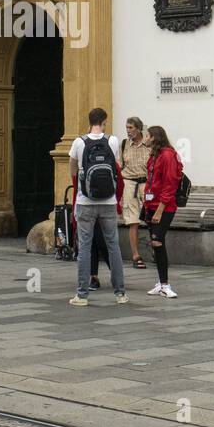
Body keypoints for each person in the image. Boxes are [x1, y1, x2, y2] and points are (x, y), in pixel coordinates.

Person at [69, 107, 127, 306]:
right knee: (113, 246)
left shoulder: (78, 142)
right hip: (108, 202)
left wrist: (80, 185)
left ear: (89, 120)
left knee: (85, 247)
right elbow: (116, 166)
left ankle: (82, 295)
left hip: (85, 201)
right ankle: (120, 293)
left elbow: (73, 168)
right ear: (104, 121)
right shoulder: (113, 140)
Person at [141, 125, 182, 299]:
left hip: (163, 207)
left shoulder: (167, 156)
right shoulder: (154, 155)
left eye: (147, 135)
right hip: (151, 204)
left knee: (157, 242)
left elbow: (170, 184)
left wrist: (159, 210)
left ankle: (165, 284)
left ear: (155, 138)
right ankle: (161, 282)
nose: (145, 138)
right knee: (156, 243)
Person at [120, 116, 149, 268]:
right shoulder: (124, 144)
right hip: (129, 183)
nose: (128, 131)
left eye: (131, 128)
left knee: (151, 218)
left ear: (139, 129)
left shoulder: (148, 144)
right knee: (133, 220)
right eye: (127, 127)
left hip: (146, 183)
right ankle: (136, 255)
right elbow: (120, 166)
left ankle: (157, 250)